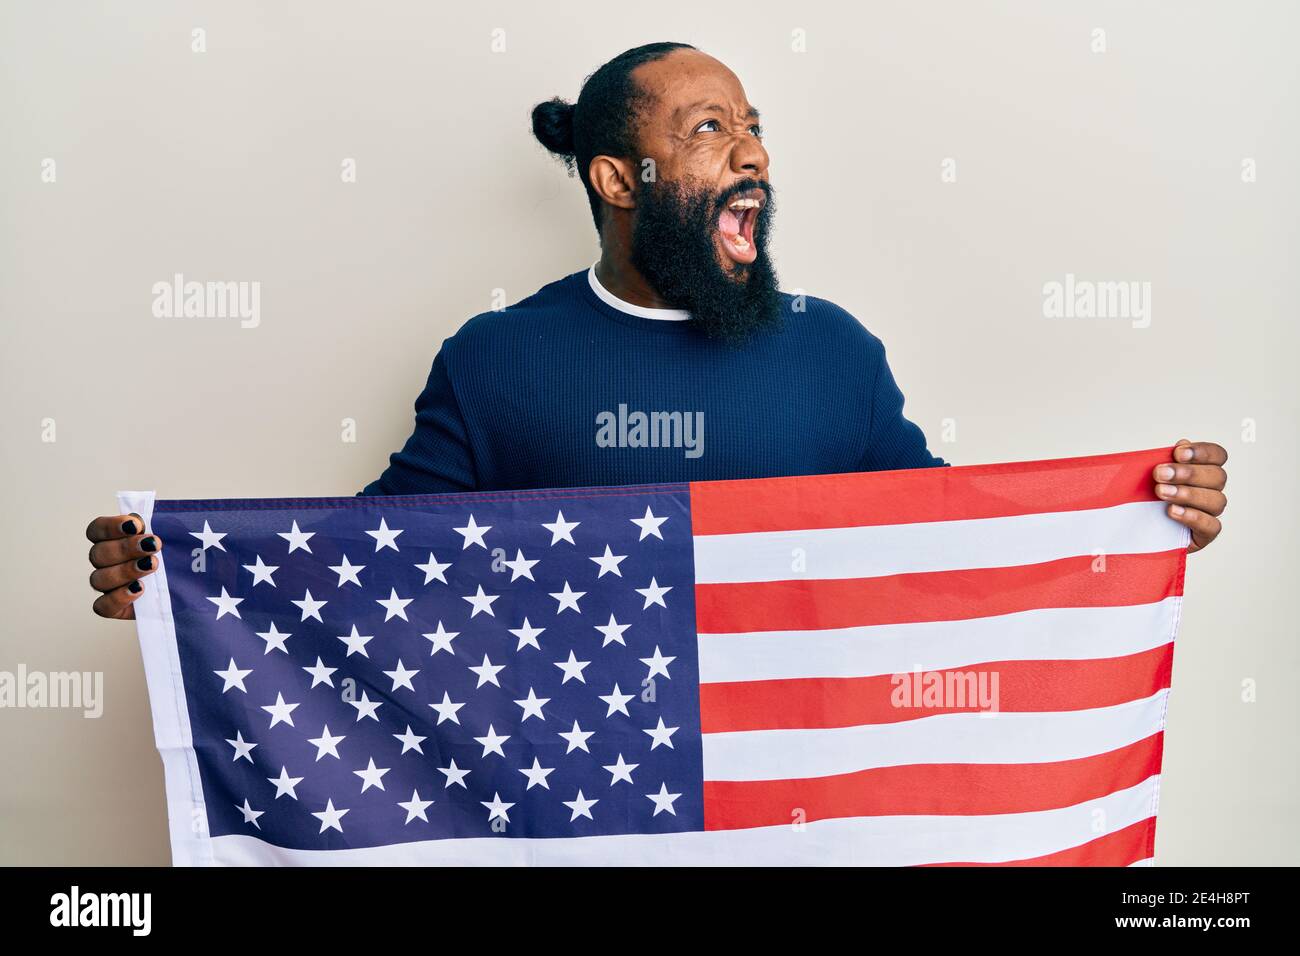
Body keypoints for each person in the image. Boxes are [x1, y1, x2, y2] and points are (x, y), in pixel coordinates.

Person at [86, 42, 1228, 619]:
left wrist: (1138, 517)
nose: (753, 153)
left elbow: (946, 548)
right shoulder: (497, 363)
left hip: (789, 828)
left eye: (755, 128)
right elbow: (372, 567)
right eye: (710, 128)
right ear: (617, 176)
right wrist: (183, 577)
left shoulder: (835, 354)